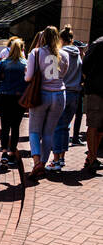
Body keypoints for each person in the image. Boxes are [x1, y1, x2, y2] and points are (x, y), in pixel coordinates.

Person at [25, 26, 70, 177]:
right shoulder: (64, 54)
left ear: (43, 37)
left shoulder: (36, 53)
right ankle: (43, 163)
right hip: (59, 95)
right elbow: (64, 74)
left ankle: (37, 161)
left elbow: (28, 77)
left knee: (34, 130)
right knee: (49, 132)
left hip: (41, 95)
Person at [50, 27, 83, 171]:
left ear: (61, 40)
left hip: (63, 92)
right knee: (65, 127)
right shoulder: (79, 54)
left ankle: (56, 160)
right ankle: (62, 158)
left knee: (57, 127)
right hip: (75, 94)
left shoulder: (61, 53)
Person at [0, 37, 28, 166]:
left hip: (5, 96)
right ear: (22, 50)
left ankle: (3, 152)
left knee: (5, 125)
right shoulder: (26, 64)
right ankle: (12, 153)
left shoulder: (3, 63)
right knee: (16, 126)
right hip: (19, 98)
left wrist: (4, 82)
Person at [84, 32, 103, 171]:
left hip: (95, 89)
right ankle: (91, 158)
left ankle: (92, 157)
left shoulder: (96, 43)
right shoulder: (98, 44)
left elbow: (85, 67)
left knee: (97, 126)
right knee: (95, 125)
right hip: (95, 90)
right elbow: (85, 66)